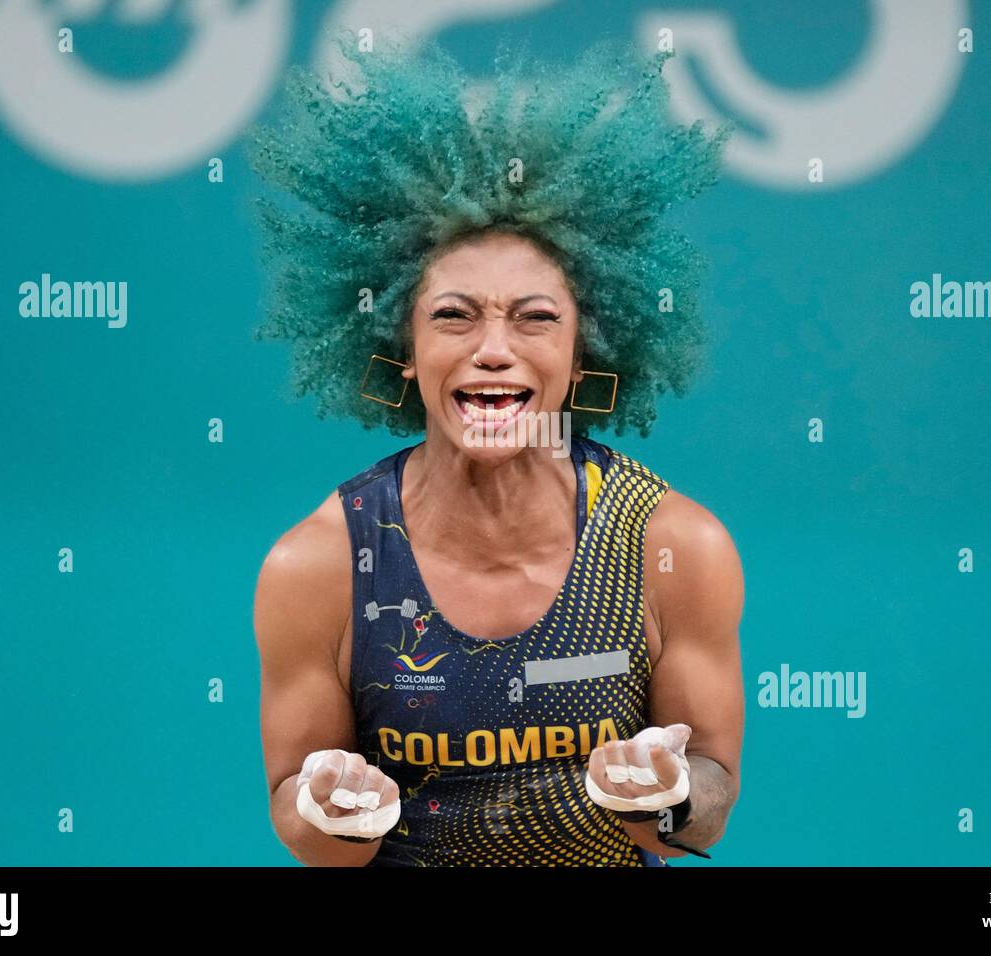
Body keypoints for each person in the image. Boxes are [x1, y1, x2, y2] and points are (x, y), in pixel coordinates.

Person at [248, 33, 744, 866]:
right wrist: (333, 812)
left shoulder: (676, 547)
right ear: (400, 348)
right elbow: (311, 837)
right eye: (453, 315)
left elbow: (709, 810)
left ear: (587, 352)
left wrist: (670, 793)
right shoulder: (319, 565)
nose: (493, 349)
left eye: (536, 317)